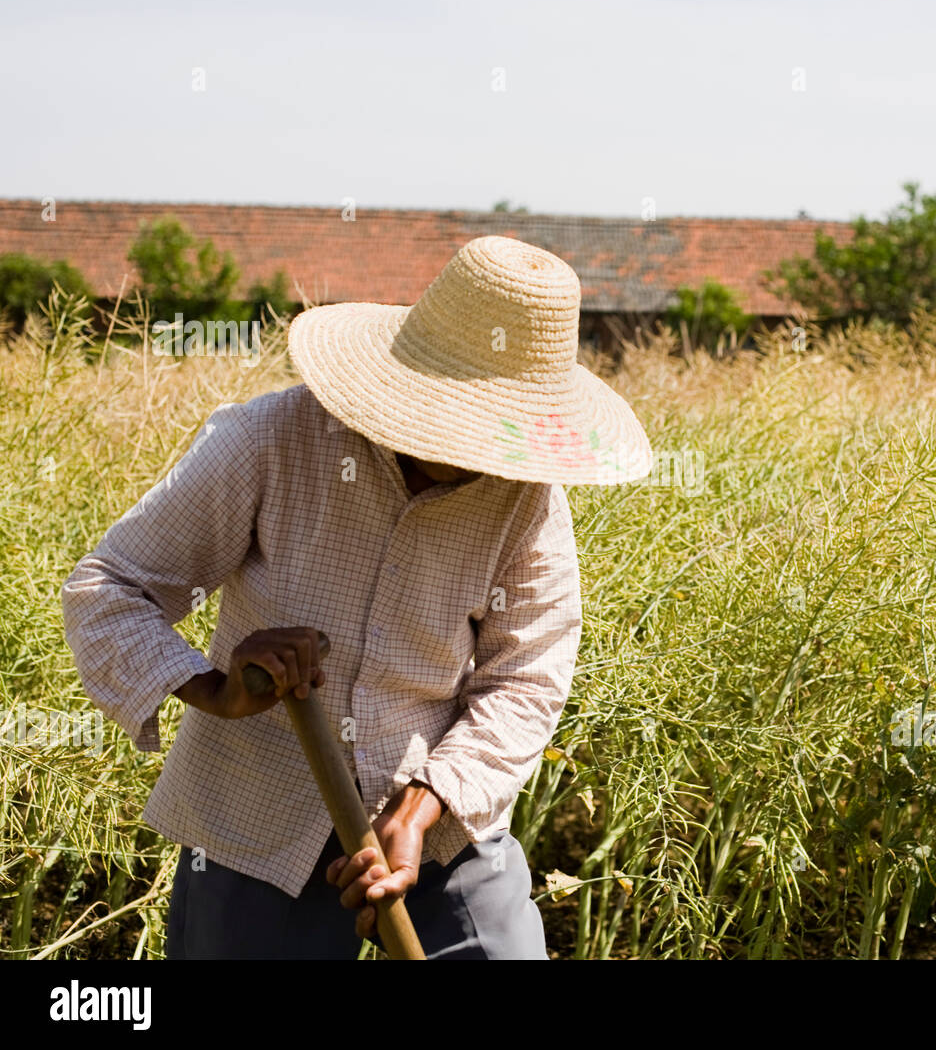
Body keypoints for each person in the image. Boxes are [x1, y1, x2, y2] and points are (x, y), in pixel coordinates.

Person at [61, 235, 652, 959]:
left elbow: (523, 682)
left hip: (441, 836)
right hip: (257, 831)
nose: (473, 453)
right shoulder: (271, 440)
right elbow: (111, 587)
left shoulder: (528, 503)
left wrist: (422, 805)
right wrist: (216, 688)